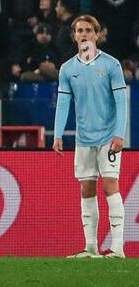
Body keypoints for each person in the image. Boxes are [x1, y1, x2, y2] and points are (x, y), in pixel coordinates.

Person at [52, 14, 129, 258]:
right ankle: (91, 247)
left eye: (88, 30)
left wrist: (119, 134)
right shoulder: (68, 69)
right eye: (79, 30)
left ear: (97, 34)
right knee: (86, 188)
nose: (84, 34)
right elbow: (63, 104)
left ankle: (117, 248)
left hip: (108, 137)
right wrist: (57, 134)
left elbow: (121, 102)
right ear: (74, 36)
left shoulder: (111, 65)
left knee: (109, 186)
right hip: (83, 139)